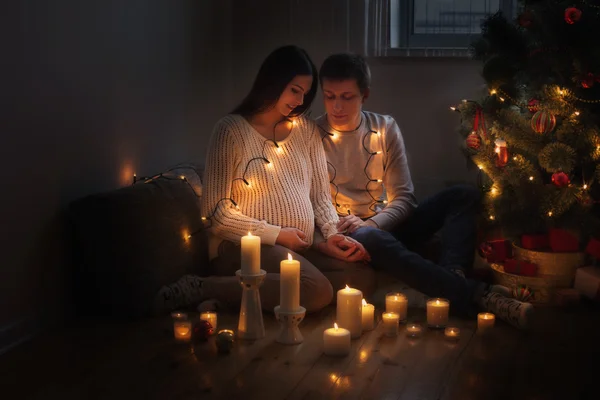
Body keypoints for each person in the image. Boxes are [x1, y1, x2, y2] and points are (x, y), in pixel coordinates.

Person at [315, 53, 534, 329]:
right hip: (350, 234)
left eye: (346, 97)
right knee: (370, 236)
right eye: (329, 96)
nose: (336, 106)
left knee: (463, 195)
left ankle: (451, 278)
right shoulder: (311, 134)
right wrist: (356, 229)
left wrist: (372, 222)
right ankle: (478, 295)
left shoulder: (383, 127)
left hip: (383, 222)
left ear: (365, 95)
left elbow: (405, 199)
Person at [154, 45, 370, 315]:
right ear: (273, 81)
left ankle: (233, 295)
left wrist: (330, 234)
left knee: (362, 280)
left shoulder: (306, 130)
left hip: (299, 246)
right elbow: (216, 213)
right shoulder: (230, 130)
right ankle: (202, 287)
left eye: (305, 93)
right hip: (244, 248)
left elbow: (319, 198)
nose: (300, 101)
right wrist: (276, 234)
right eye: (294, 90)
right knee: (317, 290)